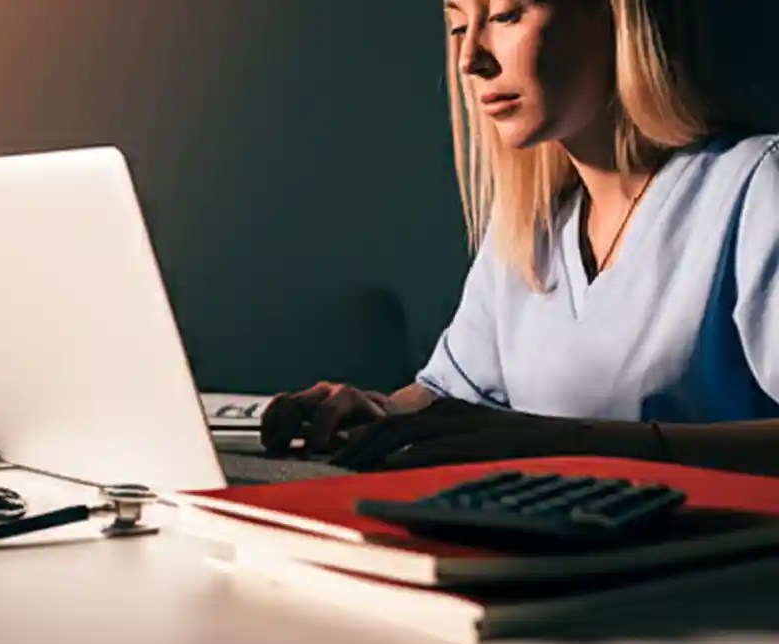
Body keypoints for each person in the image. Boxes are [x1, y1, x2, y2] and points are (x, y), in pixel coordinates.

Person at [261, 0, 779, 476]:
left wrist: (569, 444)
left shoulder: (755, 185)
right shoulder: (532, 226)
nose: (470, 59)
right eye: (458, 26)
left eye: (507, 16)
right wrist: (381, 412)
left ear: (616, 15)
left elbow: (521, 435)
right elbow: (455, 396)